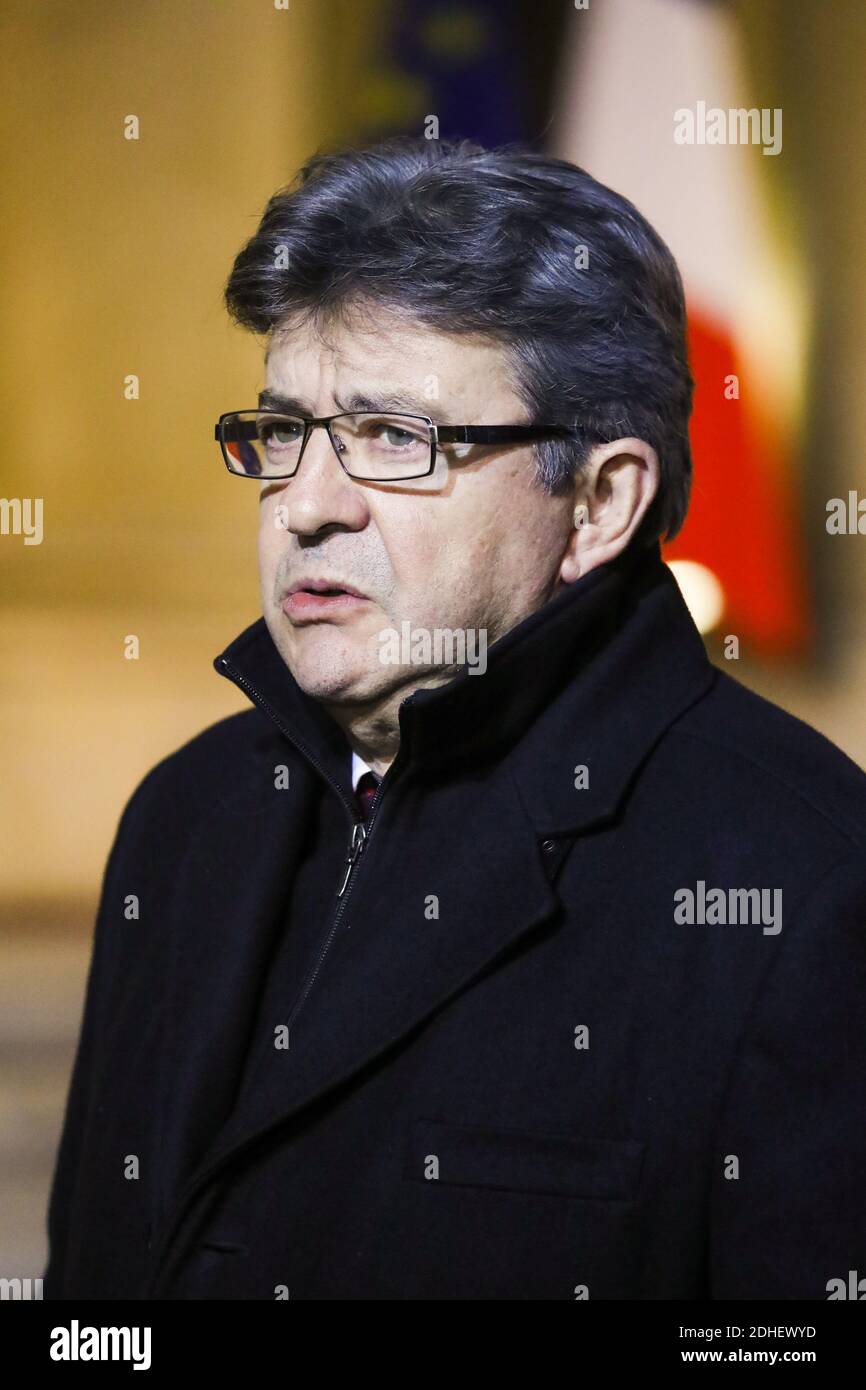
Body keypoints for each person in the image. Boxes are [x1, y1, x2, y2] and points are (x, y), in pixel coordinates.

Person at [44, 137, 866, 1300]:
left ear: (596, 501)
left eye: (394, 438)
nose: (306, 507)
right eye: (284, 432)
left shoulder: (809, 883)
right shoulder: (188, 811)